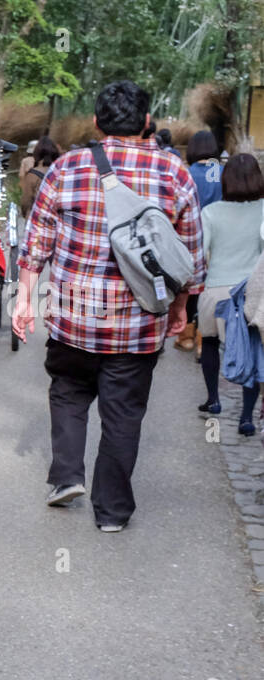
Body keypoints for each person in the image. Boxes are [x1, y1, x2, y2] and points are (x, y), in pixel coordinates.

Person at [13, 80, 206, 532]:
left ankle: (65, 477)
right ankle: (113, 512)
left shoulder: (67, 167)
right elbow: (190, 254)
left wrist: (24, 300)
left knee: (69, 391)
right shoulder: (173, 172)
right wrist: (179, 308)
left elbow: (35, 243)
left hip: (73, 318)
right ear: (146, 122)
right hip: (137, 322)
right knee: (123, 413)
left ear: (97, 123)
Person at [196, 153, 264, 432]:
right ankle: (246, 417)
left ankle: (213, 399)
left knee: (210, 343)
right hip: (253, 291)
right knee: (252, 352)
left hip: (216, 289)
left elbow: (200, 254)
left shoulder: (211, 212)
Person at [177, 131, 223, 352]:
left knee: (190, 287)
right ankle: (203, 339)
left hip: (190, 237)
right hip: (217, 238)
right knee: (208, 288)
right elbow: (216, 193)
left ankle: (185, 336)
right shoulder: (217, 171)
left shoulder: (187, 173)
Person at [18, 136, 60, 218]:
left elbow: (26, 200)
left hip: (39, 219)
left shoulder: (32, 174)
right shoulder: (63, 172)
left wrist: (25, 214)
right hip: (58, 219)